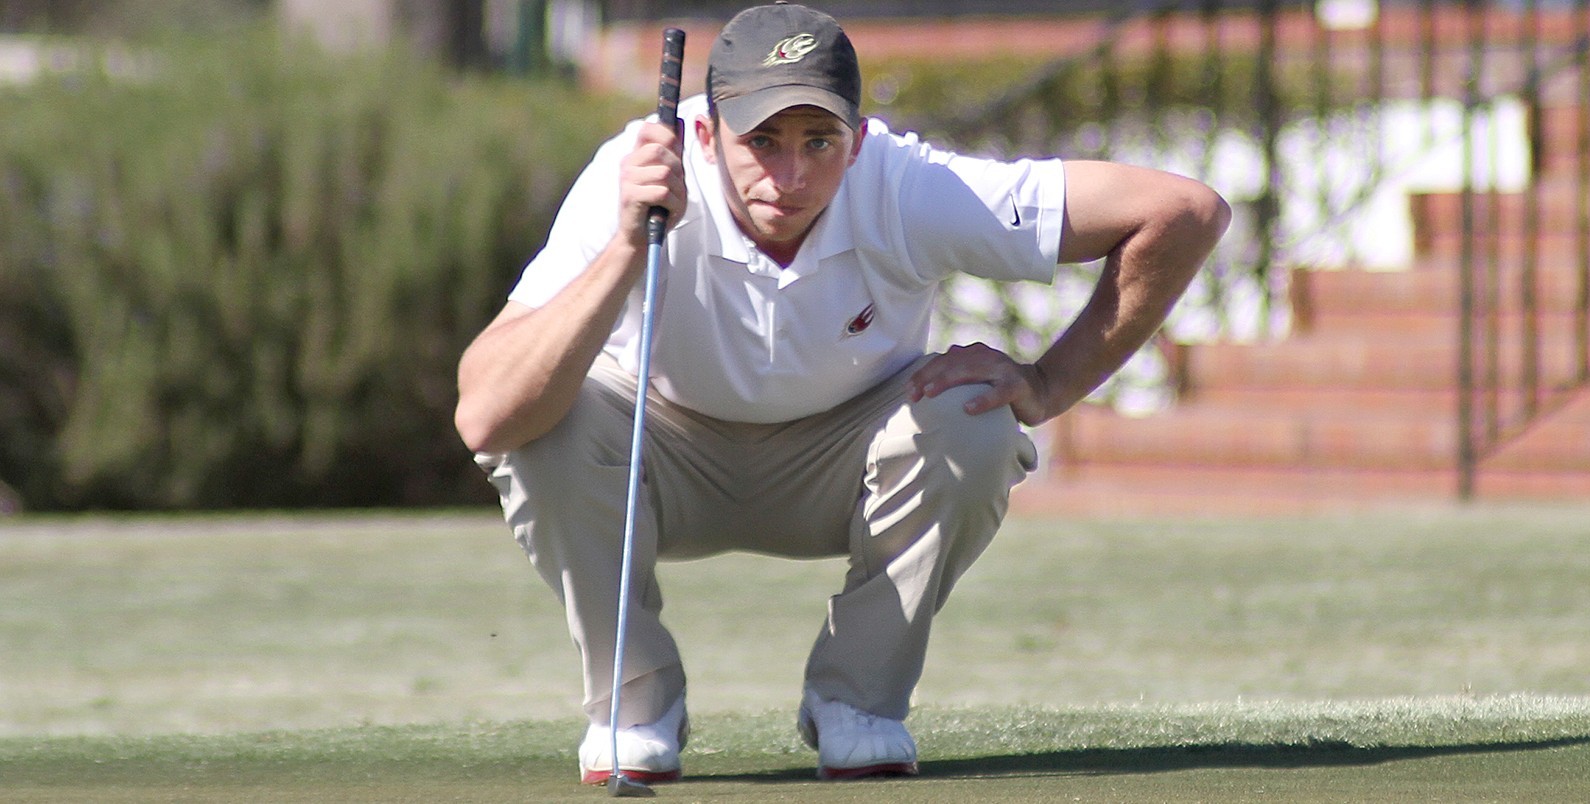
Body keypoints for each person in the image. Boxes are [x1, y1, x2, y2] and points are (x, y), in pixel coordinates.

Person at [455, 1, 1230, 785]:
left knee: (975, 421)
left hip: (841, 461)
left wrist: (1047, 384)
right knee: (543, 423)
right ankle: (633, 703)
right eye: (761, 141)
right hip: (663, 453)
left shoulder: (904, 184)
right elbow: (485, 413)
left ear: (857, 142)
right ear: (704, 135)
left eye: (818, 142)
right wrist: (629, 242)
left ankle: (858, 702)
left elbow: (1183, 212)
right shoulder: (634, 171)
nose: (789, 176)